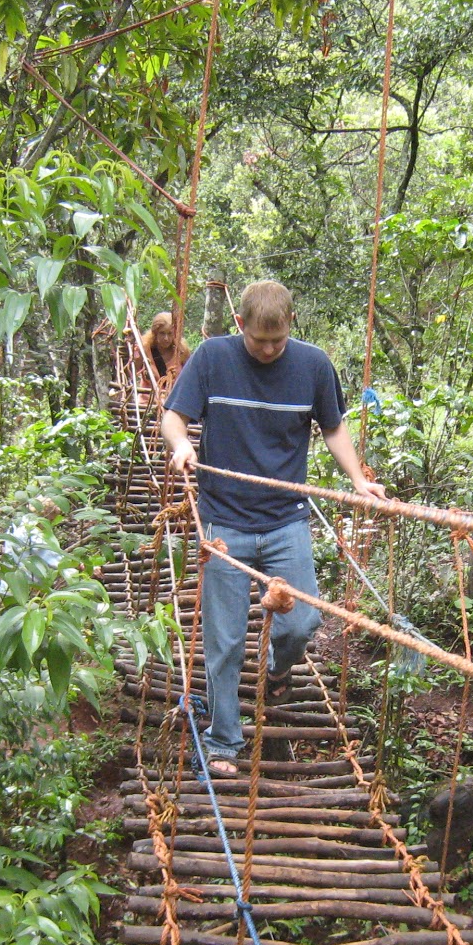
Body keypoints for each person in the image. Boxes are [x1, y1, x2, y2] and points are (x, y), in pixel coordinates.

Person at [162, 280, 385, 775]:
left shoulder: (313, 364)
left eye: (277, 341)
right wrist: (181, 445)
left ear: (291, 326)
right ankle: (223, 742)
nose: (267, 350)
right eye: (258, 340)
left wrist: (357, 479)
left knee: (303, 621)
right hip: (225, 521)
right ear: (240, 324)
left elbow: (333, 427)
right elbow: (173, 416)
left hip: (286, 520)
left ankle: (278, 670)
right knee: (222, 640)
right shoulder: (212, 359)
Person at [140, 311, 190, 384]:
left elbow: (190, 377)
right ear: (155, 333)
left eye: (170, 334)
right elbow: (131, 372)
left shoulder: (182, 351)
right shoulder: (144, 349)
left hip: (174, 395)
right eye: (162, 333)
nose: (166, 338)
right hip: (148, 394)